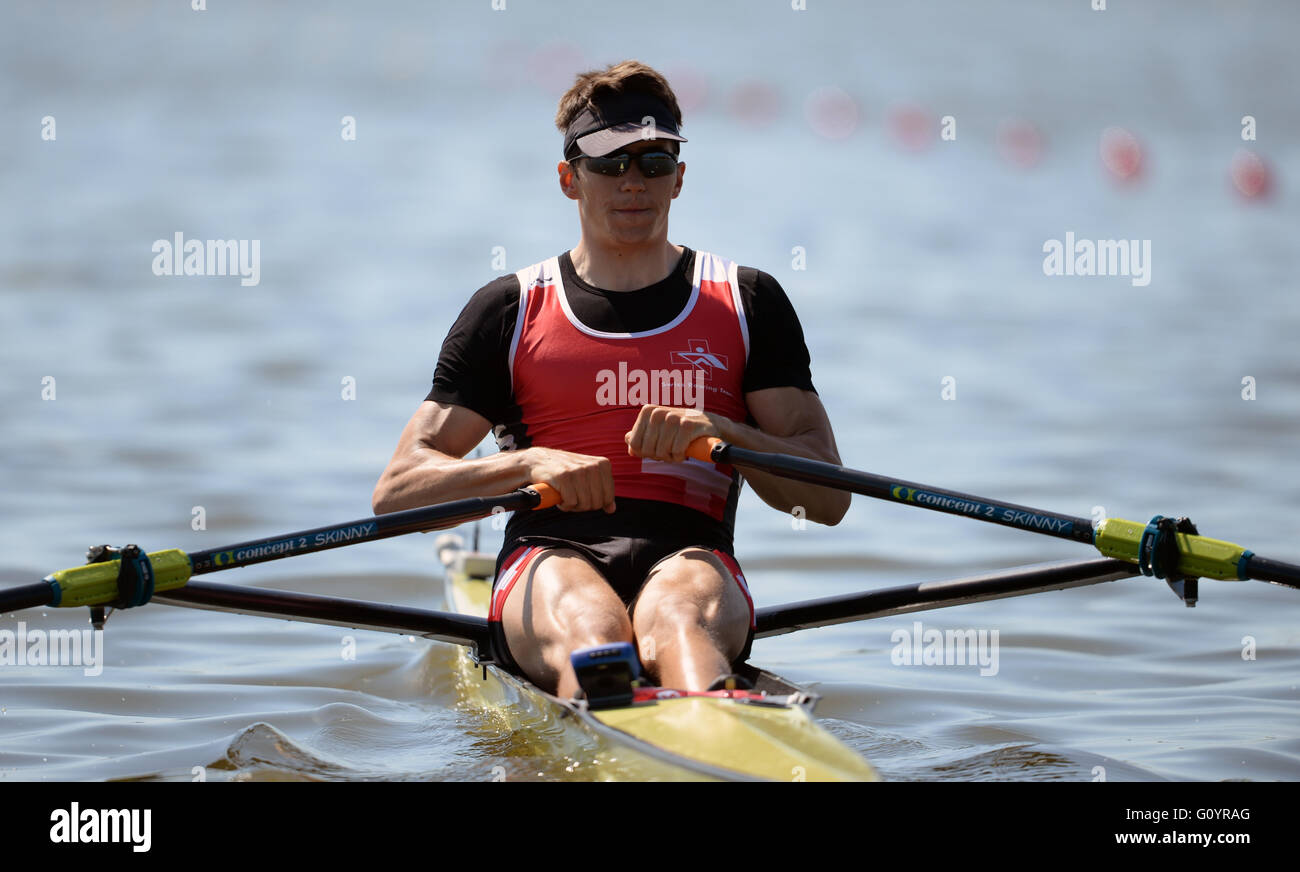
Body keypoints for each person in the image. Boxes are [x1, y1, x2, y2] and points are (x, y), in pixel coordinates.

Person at [372, 60, 847, 699]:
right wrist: (528, 464)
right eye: (609, 163)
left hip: (692, 552)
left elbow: (826, 499)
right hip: (549, 549)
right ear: (569, 178)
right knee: (594, 631)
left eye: (653, 163)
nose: (633, 183)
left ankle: (708, 731)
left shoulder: (748, 301)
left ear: (679, 179)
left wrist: (727, 432)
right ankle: (615, 719)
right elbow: (398, 493)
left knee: (678, 621)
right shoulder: (509, 310)